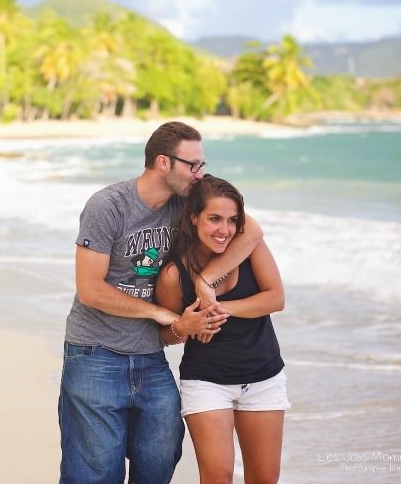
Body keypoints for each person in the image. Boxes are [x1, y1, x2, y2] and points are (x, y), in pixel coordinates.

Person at [59, 121, 264, 484]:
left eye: (202, 164)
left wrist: (205, 280)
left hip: (151, 356)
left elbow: (251, 230)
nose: (200, 174)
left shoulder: (186, 203)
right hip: (95, 353)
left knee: (160, 459)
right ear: (163, 162)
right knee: (95, 472)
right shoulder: (108, 205)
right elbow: (90, 289)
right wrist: (162, 313)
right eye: (193, 165)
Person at [157, 175, 289, 484]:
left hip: (264, 376)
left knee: (264, 478)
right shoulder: (174, 274)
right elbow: (165, 335)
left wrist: (218, 309)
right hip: (206, 380)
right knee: (218, 476)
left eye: (232, 221)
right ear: (194, 218)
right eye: (214, 218)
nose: (224, 230)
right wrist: (184, 326)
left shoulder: (249, 248)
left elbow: (276, 298)